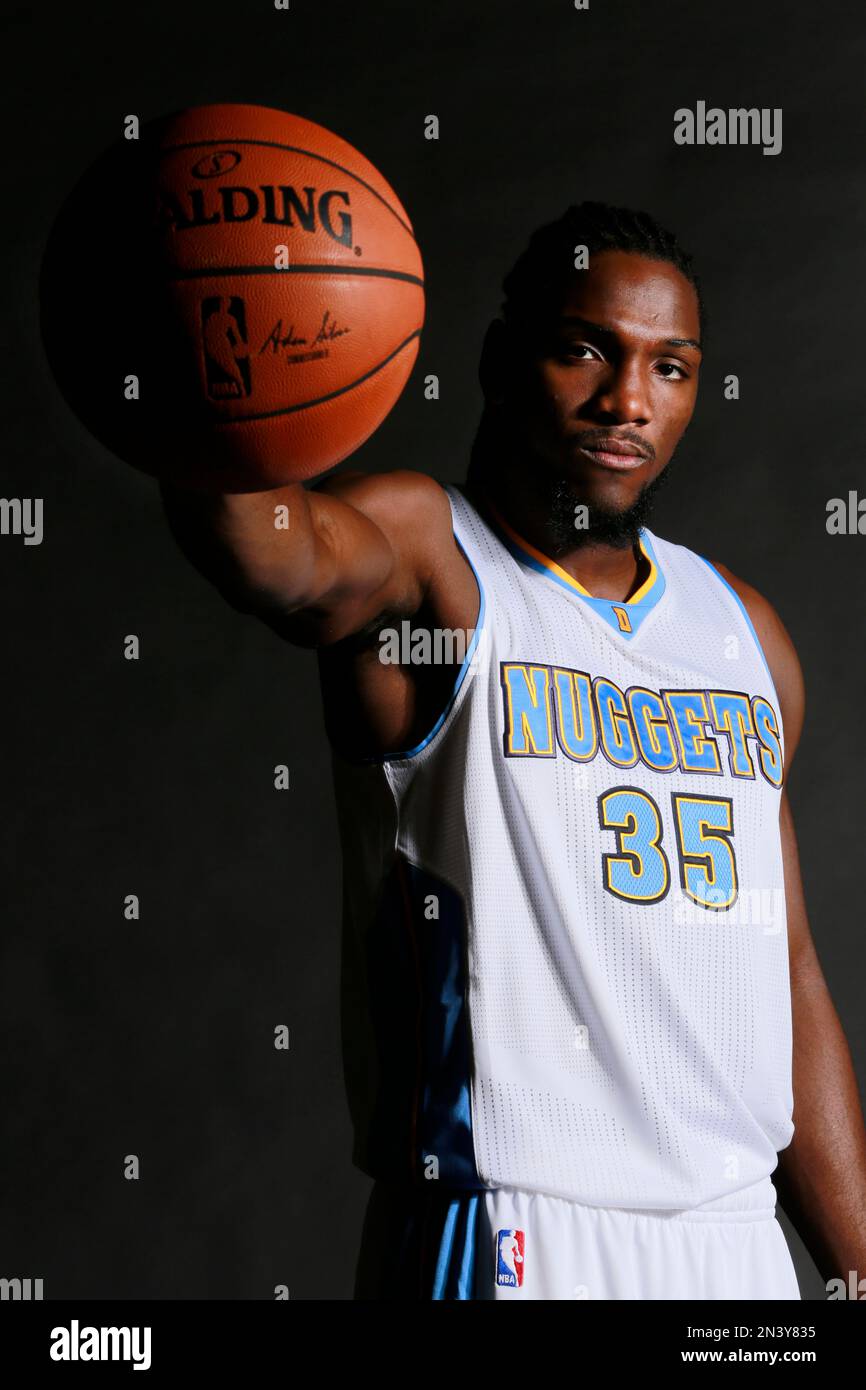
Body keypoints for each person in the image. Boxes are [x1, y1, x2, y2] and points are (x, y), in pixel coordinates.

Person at [160, 201, 866, 1300]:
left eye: (669, 368)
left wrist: (856, 1265)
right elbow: (276, 558)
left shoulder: (741, 633)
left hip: (732, 1245)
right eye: (584, 350)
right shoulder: (428, 556)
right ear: (498, 360)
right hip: (508, 1223)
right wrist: (206, 370)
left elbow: (788, 969)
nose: (626, 401)